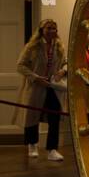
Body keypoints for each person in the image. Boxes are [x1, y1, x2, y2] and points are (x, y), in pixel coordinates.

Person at [14, 19, 67, 161]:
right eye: (49, 28)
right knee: (32, 115)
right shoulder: (32, 47)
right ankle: (32, 144)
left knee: (54, 115)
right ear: (41, 30)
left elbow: (66, 63)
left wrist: (63, 71)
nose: (52, 31)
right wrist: (36, 77)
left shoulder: (59, 46)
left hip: (52, 87)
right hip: (36, 87)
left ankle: (52, 149)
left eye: (54, 28)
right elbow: (20, 66)